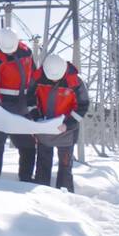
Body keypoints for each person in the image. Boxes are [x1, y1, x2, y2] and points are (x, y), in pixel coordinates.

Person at [0, 28, 39, 181]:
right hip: (1, 107)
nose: (8, 53)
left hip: (22, 106)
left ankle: (26, 179)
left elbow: (33, 77)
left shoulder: (26, 52)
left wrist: (32, 103)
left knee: (28, 146)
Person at [33, 52, 89, 191]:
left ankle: (65, 196)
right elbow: (30, 99)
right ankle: (40, 193)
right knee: (43, 163)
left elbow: (83, 105)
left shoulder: (75, 81)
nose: (53, 81)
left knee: (65, 166)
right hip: (45, 127)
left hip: (67, 130)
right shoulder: (38, 77)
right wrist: (36, 117)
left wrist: (68, 124)